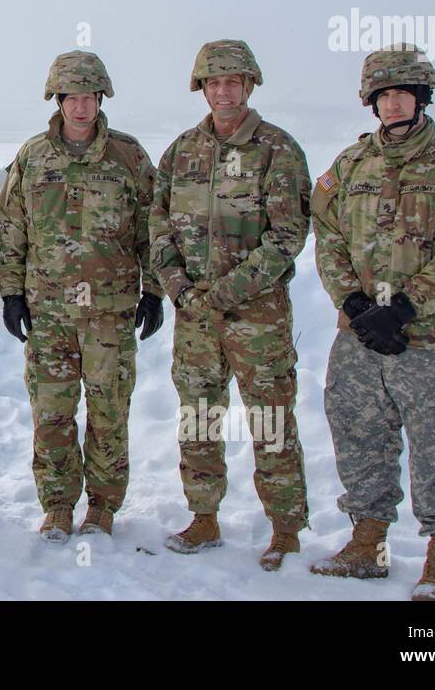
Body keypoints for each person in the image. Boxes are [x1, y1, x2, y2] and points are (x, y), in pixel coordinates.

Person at [310, 43, 435, 600]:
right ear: (372, 103)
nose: (393, 105)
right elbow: (329, 237)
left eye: (403, 95)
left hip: (431, 336)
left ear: (422, 98)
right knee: (358, 431)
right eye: (384, 95)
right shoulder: (350, 165)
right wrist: (354, 304)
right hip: (362, 334)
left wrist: (409, 305)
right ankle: (367, 540)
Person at [148, 40, 311, 569]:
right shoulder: (182, 151)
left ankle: (285, 528)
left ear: (249, 85)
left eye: (233, 82)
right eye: (214, 82)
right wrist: (179, 288)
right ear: (202, 87)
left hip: (256, 318)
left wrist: (223, 293)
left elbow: (287, 236)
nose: (223, 91)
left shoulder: (276, 150)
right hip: (195, 319)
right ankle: (203, 517)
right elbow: (158, 225)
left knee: (269, 421)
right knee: (198, 418)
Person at [0, 50, 164, 543]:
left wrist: (153, 292)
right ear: (58, 100)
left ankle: (103, 507)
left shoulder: (128, 157)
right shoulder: (32, 157)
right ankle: (57, 505)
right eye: (72, 97)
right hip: (48, 313)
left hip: (109, 314)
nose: (81, 107)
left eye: (89, 97)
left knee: (109, 413)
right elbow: (13, 229)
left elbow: (152, 231)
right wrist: (10, 294)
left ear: (100, 98)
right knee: (52, 414)